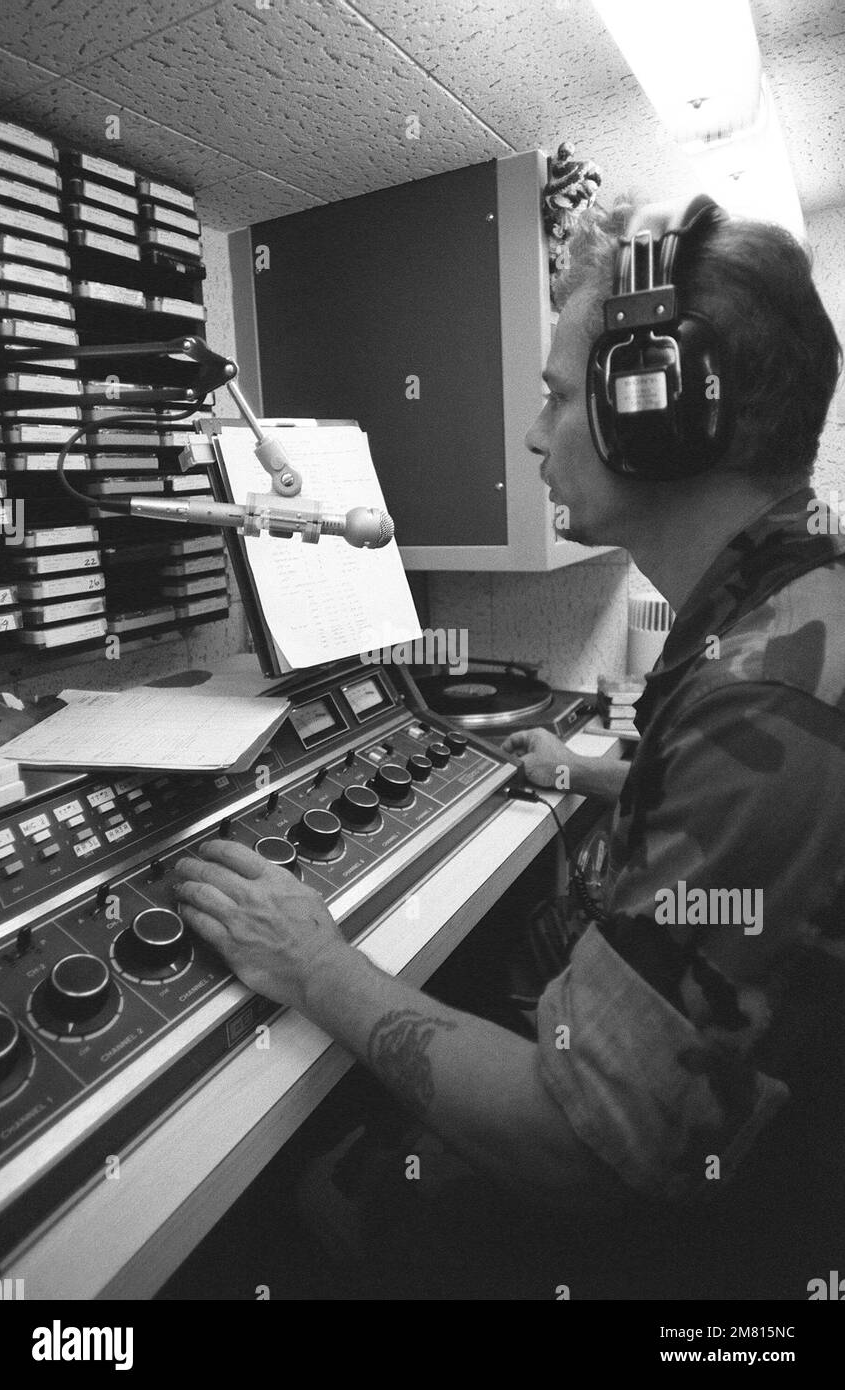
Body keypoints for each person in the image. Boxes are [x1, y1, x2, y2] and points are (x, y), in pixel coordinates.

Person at [173, 198, 844, 1299]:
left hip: (700, 1247)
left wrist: (314, 962)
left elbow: (573, 1145)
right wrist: (582, 769)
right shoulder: (786, 603)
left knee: (311, 1204)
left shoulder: (762, 694)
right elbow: (734, 818)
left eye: (555, 393)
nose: (533, 435)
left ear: (656, 413)